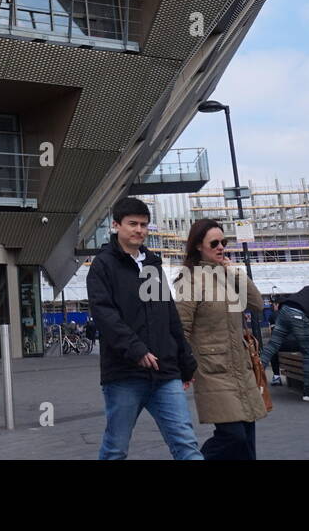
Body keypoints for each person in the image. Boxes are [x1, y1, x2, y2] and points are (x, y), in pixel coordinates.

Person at [87, 197, 202, 460]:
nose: (139, 230)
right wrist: (136, 349)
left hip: (165, 373)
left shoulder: (152, 264)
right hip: (125, 374)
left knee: (186, 444)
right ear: (116, 225)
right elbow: (105, 315)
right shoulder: (103, 265)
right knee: (116, 449)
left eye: (144, 225)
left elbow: (168, 314)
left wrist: (186, 362)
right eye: (133, 224)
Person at [174, 219, 267, 460]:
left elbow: (257, 305)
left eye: (223, 242)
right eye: (214, 243)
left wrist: (236, 273)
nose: (221, 247)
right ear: (198, 246)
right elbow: (180, 329)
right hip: (212, 370)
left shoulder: (228, 275)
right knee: (233, 436)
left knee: (247, 437)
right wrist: (184, 367)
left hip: (241, 367)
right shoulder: (190, 281)